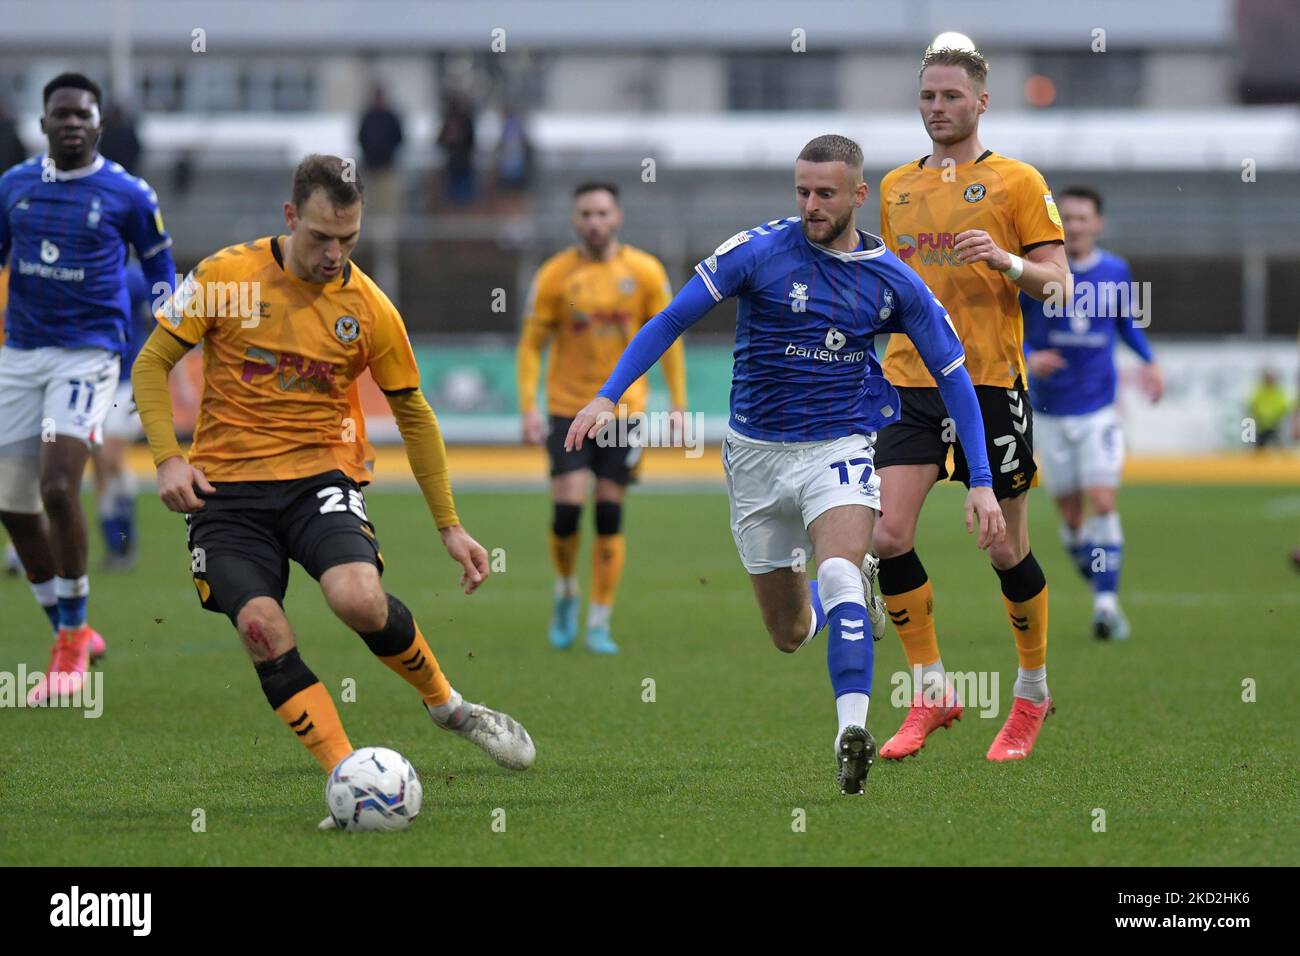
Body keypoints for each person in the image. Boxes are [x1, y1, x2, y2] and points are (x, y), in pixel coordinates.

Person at [566, 135, 1004, 794]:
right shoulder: (757, 251)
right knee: (790, 630)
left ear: (859, 195)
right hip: (755, 460)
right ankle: (853, 590)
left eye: (825, 193)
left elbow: (953, 377)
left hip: (840, 449)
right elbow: (670, 321)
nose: (811, 204)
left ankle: (849, 729)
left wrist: (982, 482)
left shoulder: (892, 280)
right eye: (802, 191)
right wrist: (607, 394)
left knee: (836, 571)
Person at [131, 155, 534, 823]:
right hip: (225, 495)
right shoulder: (223, 277)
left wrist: (450, 525)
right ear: (291, 218)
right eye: (322, 237)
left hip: (320, 477)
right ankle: (347, 775)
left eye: (349, 239)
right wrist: (168, 459)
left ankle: (449, 706)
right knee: (261, 626)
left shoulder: (369, 307)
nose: (334, 254)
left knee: (357, 598)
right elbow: (152, 363)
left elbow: (414, 412)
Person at [872, 44, 1070, 761]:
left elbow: (1060, 284)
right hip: (909, 385)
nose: (937, 108)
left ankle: (1031, 693)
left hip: (989, 384)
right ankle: (932, 691)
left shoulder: (1017, 182)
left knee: (1005, 549)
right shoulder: (893, 187)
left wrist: (1008, 262)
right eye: (928, 96)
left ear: (981, 103)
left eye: (951, 96)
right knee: (888, 536)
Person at [0, 73, 175, 704]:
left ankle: (69, 642)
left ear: (98, 125)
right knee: (13, 505)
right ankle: (73, 629)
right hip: (20, 354)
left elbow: (159, 264)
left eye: (83, 115)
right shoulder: (14, 187)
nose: (72, 123)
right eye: (61, 114)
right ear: (44, 124)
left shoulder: (128, 193)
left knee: (57, 485)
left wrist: (168, 330)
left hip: (89, 356)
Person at [517, 182, 686, 654]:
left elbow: (669, 338)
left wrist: (677, 404)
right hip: (567, 407)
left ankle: (599, 619)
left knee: (609, 514)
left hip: (623, 410)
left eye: (602, 213)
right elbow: (531, 345)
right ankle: (567, 589)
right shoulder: (554, 275)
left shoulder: (645, 272)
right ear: (575, 221)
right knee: (568, 510)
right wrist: (528, 406)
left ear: (618, 218)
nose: (594, 221)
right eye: (586, 213)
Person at [1022, 186, 1163, 640]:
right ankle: (1102, 587)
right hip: (1049, 409)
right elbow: (1012, 324)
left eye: (1083, 217)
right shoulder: (1040, 272)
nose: (1076, 225)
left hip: (1099, 407)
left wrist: (1149, 361)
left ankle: (1105, 604)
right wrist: (1029, 355)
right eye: (1068, 217)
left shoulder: (1116, 271)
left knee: (1102, 500)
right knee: (1071, 517)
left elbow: (1126, 326)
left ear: (1098, 223)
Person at [91, 260, 155, 570]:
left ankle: (125, 540)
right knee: (100, 467)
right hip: (94, 381)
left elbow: (161, 322)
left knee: (110, 456)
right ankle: (115, 545)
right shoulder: (84, 273)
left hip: (129, 383)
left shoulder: (133, 279)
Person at [356, 86, 404, 225]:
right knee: (369, 209)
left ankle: (386, 246)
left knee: (388, 210)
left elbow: (399, 139)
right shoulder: (367, 117)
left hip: (387, 170)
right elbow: (360, 138)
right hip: (370, 169)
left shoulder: (391, 117)